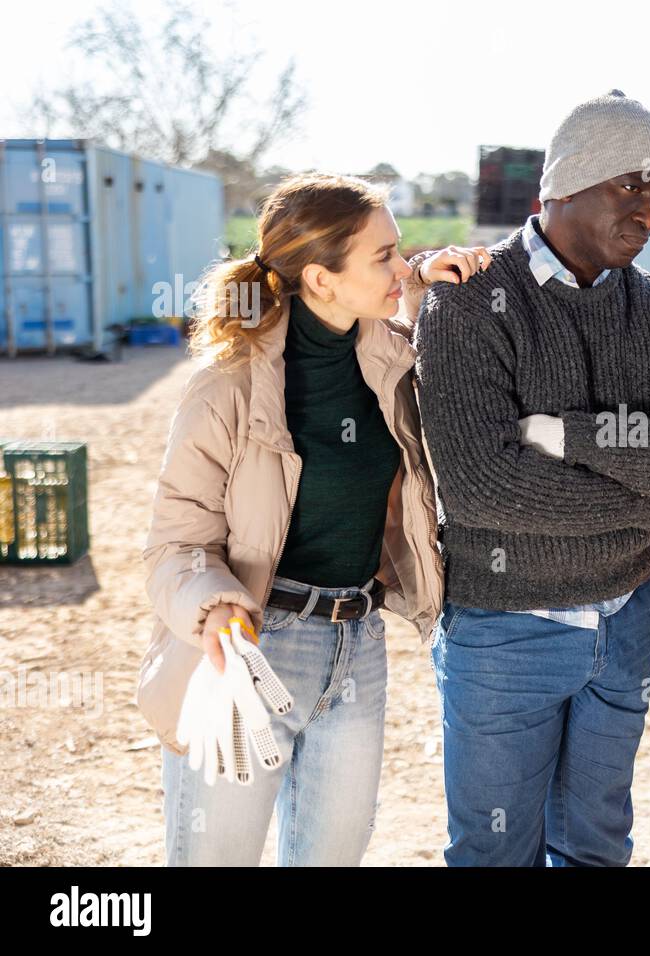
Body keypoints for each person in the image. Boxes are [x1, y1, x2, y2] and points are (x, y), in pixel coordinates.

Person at [415, 90, 650, 867]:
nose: (648, 215)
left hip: (624, 621)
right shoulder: (470, 299)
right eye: (631, 186)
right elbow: (480, 487)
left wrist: (572, 435)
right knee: (495, 854)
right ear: (564, 184)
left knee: (598, 849)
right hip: (504, 631)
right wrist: (643, 496)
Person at [138, 172, 485, 866]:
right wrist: (215, 608)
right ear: (321, 279)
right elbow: (175, 544)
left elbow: (419, 328)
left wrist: (422, 278)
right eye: (384, 254)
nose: (402, 262)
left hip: (357, 646)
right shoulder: (226, 386)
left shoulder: (388, 359)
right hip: (248, 647)